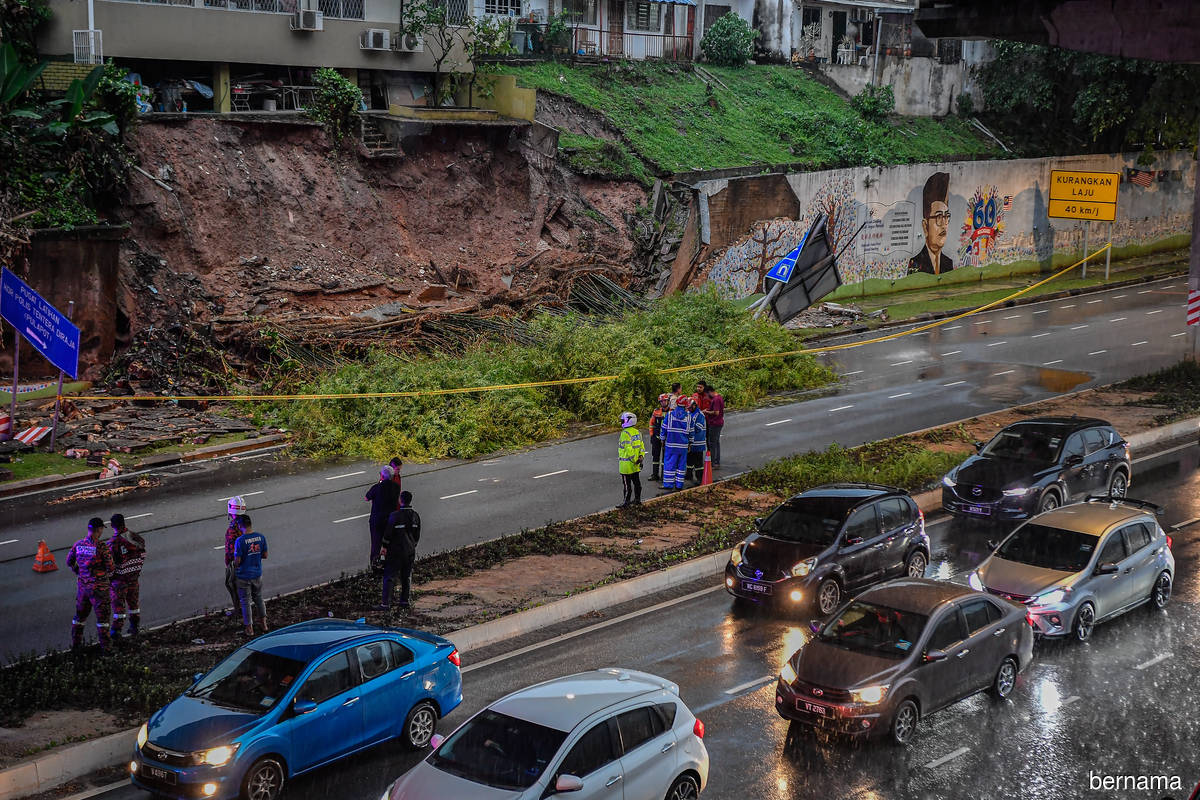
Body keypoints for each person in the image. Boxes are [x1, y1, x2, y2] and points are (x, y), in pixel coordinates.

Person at [67, 517, 116, 651]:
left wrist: (79, 572)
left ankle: (76, 646)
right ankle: (107, 649)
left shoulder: (78, 545)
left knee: (80, 618)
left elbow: (69, 561)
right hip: (99, 589)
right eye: (101, 529)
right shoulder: (101, 547)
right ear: (99, 529)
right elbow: (111, 567)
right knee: (103, 620)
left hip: (83, 588)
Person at [377, 491, 421, 610]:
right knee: (406, 577)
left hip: (395, 552)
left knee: (389, 577)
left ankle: (386, 603)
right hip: (410, 552)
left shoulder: (395, 516)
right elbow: (417, 535)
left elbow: (388, 534)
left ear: (400, 500)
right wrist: (412, 545)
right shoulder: (415, 516)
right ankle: (404, 601)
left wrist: (384, 547)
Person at [907, 172, 954, 275]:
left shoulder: (948, 263)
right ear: (925, 226)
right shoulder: (915, 263)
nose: (944, 224)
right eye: (938, 217)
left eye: (946, 216)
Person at [108, 513, 146, 640]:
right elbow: (142, 553)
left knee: (119, 608)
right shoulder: (136, 538)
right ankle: (135, 627)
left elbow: (109, 565)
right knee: (133, 605)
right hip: (134, 578)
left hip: (119, 581)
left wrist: (110, 579)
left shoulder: (113, 543)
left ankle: (116, 632)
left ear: (112, 525)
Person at [232, 514, 269, 637]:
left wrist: (234, 565)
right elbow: (265, 555)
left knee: (245, 602)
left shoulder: (240, 541)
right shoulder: (261, 537)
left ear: (240, 526)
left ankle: (249, 629)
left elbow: (237, 561)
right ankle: (264, 625)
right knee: (259, 598)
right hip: (257, 574)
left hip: (244, 576)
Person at [365, 465, 401, 570]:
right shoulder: (396, 487)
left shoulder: (376, 487)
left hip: (376, 520)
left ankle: (374, 567)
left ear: (381, 475)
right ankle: (389, 566)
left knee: (375, 545)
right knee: (389, 544)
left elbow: (367, 498)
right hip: (390, 520)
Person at [660, 395, 692, 491]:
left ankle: (668, 484)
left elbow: (663, 428)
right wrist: (690, 443)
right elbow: (691, 432)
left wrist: (662, 439)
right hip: (683, 447)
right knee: (681, 466)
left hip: (671, 445)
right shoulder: (689, 417)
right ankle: (679, 485)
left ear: (677, 403)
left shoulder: (670, 415)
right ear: (686, 405)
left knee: (669, 465)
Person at [223, 496, 247, 618]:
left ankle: (239, 611)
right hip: (246, 560)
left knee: (232, 586)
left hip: (236, 563)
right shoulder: (245, 524)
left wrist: (228, 563)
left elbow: (230, 549)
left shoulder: (232, 528)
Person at [617, 412, 646, 506]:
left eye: (623, 420)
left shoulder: (625, 433)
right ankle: (637, 500)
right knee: (637, 483)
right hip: (636, 464)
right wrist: (640, 457)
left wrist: (634, 460)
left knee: (627, 485)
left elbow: (628, 449)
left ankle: (626, 502)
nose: (621, 422)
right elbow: (642, 447)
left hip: (626, 465)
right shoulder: (637, 432)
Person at [685, 395, 708, 483]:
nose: (689, 409)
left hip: (698, 442)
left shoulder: (700, 415)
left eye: (690, 407)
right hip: (691, 442)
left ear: (695, 405)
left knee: (698, 462)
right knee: (689, 460)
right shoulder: (689, 413)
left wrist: (688, 427)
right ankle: (689, 475)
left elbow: (698, 428)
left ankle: (699, 478)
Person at [702, 383, 725, 469]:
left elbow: (716, 412)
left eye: (707, 394)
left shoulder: (716, 399)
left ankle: (714, 463)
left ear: (710, 392)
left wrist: (706, 412)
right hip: (718, 422)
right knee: (716, 442)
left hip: (715, 423)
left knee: (712, 443)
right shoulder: (719, 397)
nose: (707, 397)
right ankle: (716, 462)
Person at [648, 393, 669, 481]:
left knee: (666, 458)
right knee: (655, 456)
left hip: (667, 439)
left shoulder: (672, 412)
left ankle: (664, 475)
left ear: (668, 401)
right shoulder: (656, 412)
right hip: (656, 438)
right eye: (661, 401)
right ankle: (655, 474)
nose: (663, 403)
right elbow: (651, 424)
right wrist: (652, 435)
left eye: (665, 401)